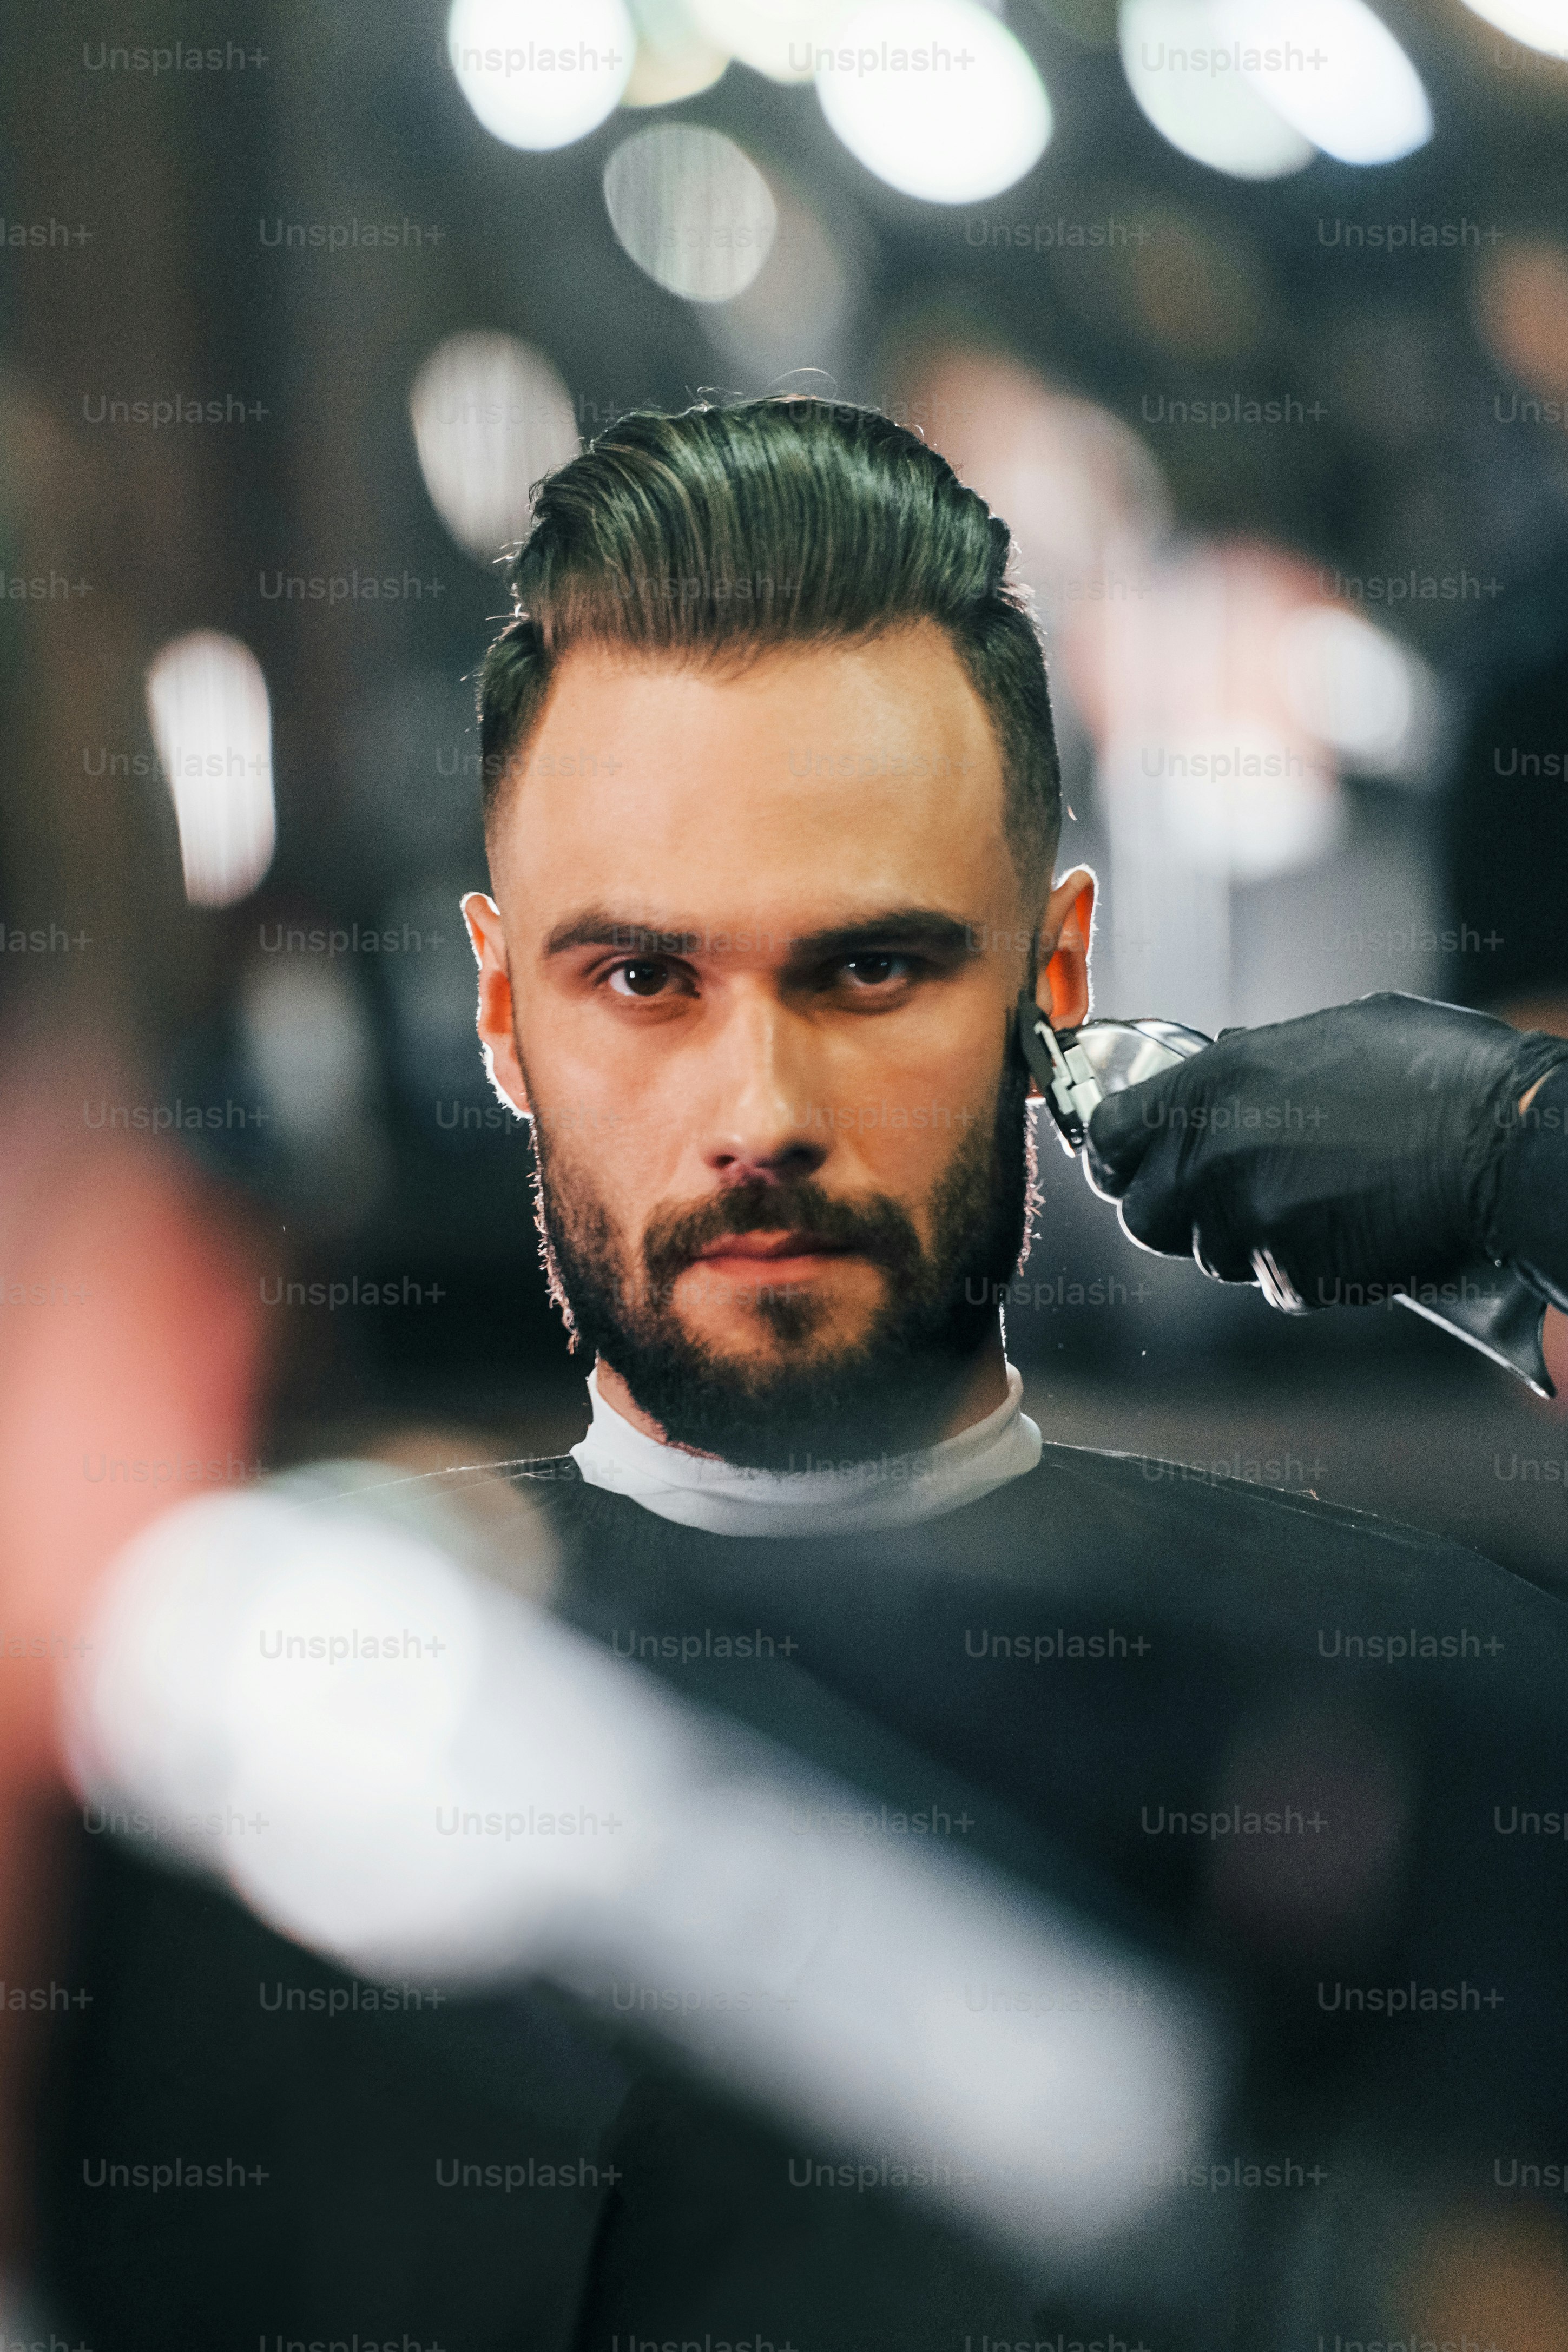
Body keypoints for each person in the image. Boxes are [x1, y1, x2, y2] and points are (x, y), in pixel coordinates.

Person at [37, 398, 1568, 2349]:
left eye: (866, 971)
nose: (757, 1111)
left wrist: (1542, 1168)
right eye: (644, 980)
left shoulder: (1431, 1733)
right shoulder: (203, 1835)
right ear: (503, 1010)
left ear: (1055, 978)